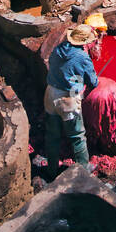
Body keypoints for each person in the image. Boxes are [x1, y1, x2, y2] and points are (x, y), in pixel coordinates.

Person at [43, 22, 100, 178]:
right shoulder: (82, 57)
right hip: (67, 100)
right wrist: (86, 81)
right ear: (85, 43)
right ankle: (84, 166)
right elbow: (93, 81)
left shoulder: (58, 49)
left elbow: (65, 70)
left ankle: (51, 168)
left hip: (50, 94)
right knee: (77, 135)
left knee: (52, 135)